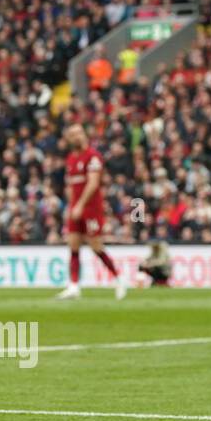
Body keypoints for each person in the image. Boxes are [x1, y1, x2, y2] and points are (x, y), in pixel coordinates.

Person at [55, 122, 126, 300]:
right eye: (72, 134)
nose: (76, 136)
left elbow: (93, 183)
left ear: (84, 134)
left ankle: (118, 279)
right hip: (76, 209)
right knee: (73, 245)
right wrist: (71, 206)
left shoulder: (93, 156)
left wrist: (80, 205)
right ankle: (73, 286)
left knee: (95, 246)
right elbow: (70, 186)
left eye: (79, 132)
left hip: (91, 209)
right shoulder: (71, 159)